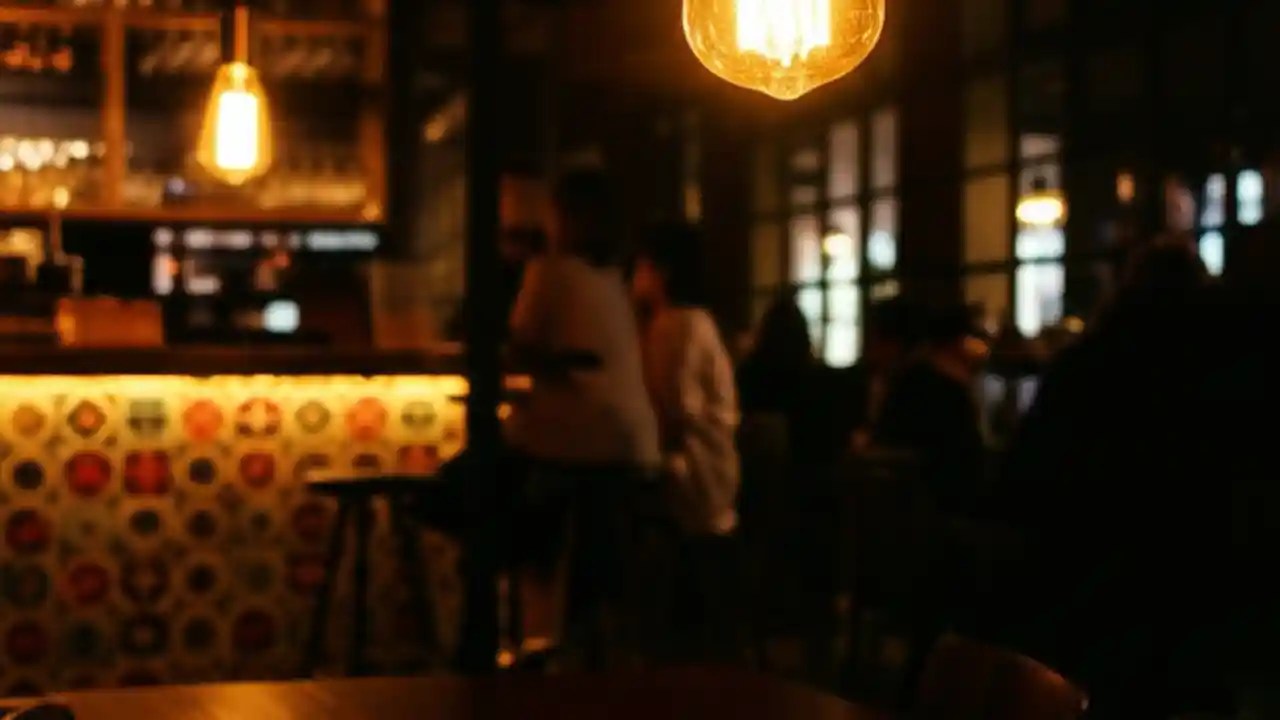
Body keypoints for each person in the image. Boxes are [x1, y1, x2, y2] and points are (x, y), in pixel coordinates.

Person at [984, 237, 1223, 717]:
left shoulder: (1084, 365)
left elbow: (1019, 484)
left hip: (1072, 593)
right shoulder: (1218, 376)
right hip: (1189, 598)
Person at [631, 222, 742, 662]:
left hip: (694, 483)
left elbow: (672, 414)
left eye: (642, 266)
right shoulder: (695, 323)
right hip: (714, 486)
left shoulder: (676, 326)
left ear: (662, 272)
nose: (634, 276)